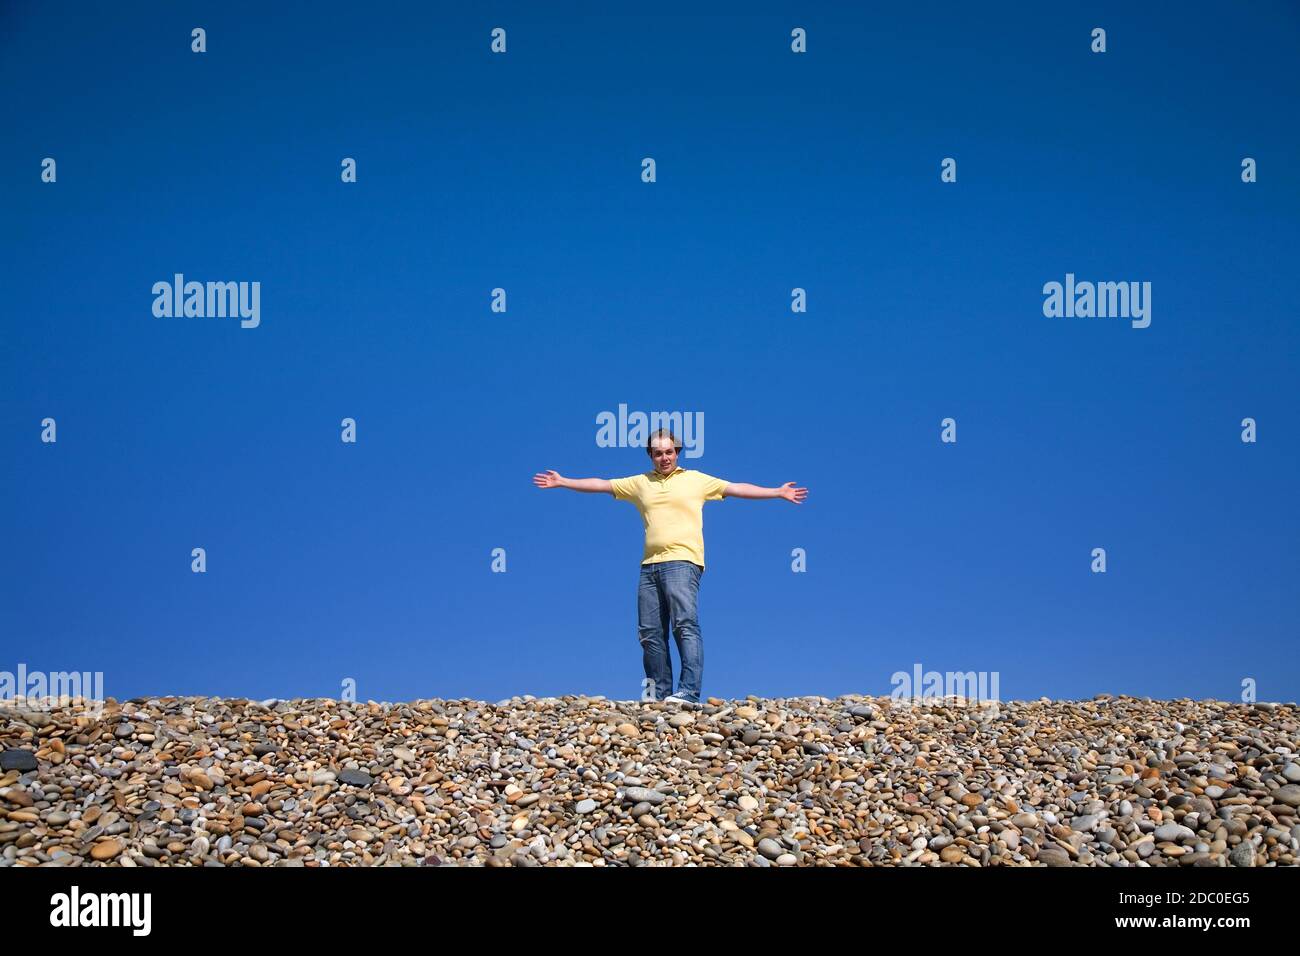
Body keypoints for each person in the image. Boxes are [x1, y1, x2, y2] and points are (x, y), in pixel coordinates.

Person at [532, 427, 808, 704]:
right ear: (651, 456)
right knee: (650, 633)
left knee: (684, 624)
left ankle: (688, 691)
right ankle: (659, 695)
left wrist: (776, 492)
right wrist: (563, 481)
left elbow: (736, 488)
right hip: (649, 566)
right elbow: (602, 484)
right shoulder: (640, 483)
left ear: (677, 452)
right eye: (658, 453)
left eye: (669, 452)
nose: (664, 458)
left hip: (683, 562)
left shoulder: (696, 480)